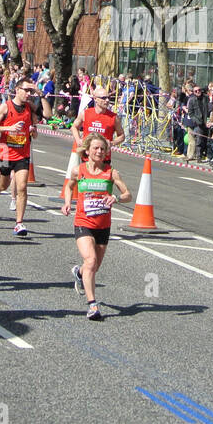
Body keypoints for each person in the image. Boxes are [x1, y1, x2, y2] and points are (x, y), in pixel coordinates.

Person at [61, 135, 132, 321]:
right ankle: (92, 305)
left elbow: (128, 195)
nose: (100, 152)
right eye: (96, 148)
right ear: (87, 151)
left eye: (102, 149)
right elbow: (69, 187)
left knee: (94, 266)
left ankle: (79, 272)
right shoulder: (79, 170)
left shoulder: (111, 172)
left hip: (103, 225)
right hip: (83, 222)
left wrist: (116, 198)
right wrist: (67, 203)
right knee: (91, 260)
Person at [0, 80, 37, 238]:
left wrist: (33, 131)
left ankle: (19, 223)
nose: (29, 94)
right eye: (26, 90)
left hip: (23, 153)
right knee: (3, 184)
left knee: (22, 187)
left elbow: (34, 129)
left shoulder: (29, 108)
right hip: (6, 152)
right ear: (17, 89)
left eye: (31, 91)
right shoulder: (6, 107)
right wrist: (8, 128)